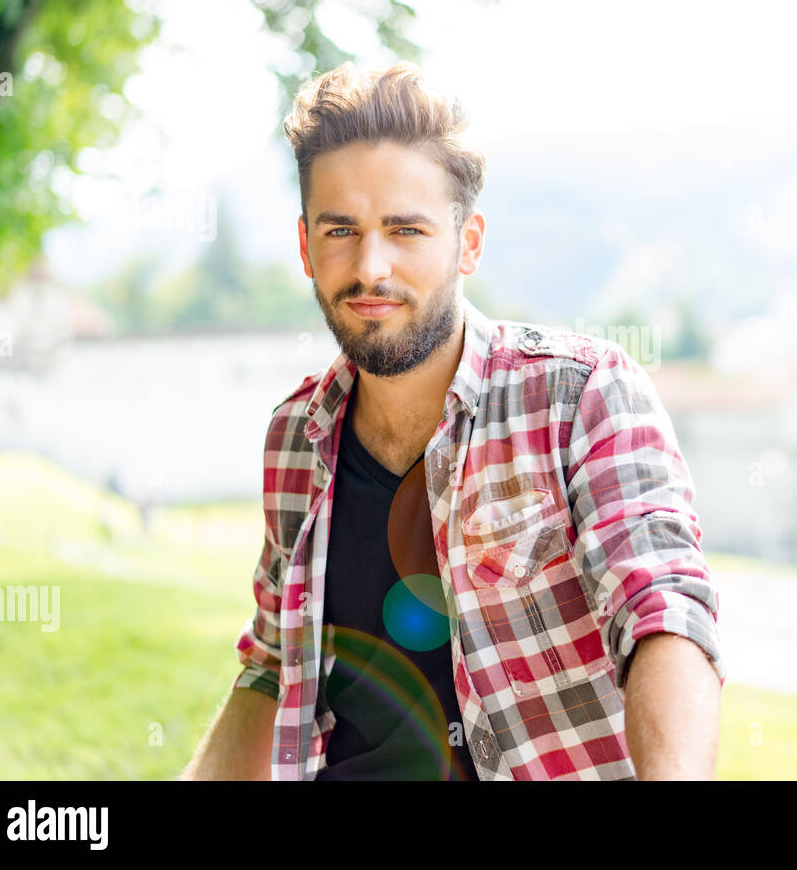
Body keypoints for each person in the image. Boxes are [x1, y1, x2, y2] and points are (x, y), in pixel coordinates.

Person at [181, 62, 725, 781]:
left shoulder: (582, 395)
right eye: (340, 230)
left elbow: (662, 611)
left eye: (405, 229)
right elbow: (272, 664)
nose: (370, 266)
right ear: (307, 246)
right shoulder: (294, 436)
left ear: (467, 243)